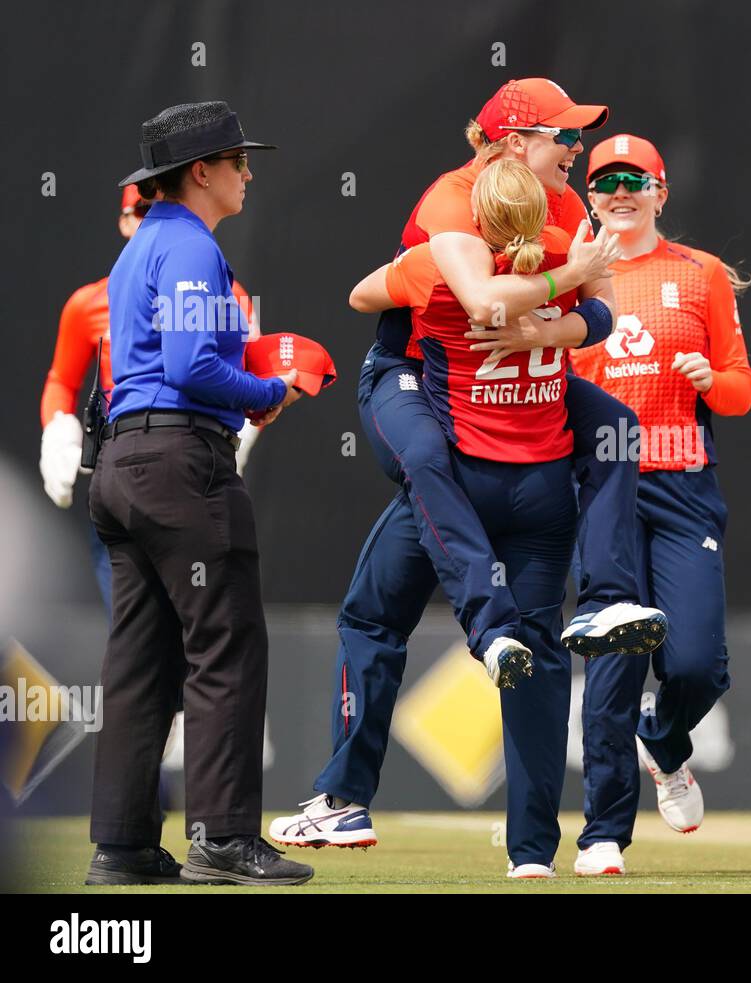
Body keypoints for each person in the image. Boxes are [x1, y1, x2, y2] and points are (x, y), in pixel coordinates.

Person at [270, 80, 662, 868]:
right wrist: (556, 290)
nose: (577, 153)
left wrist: (545, 326)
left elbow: (601, 311)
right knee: (429, 462)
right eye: (565, 137)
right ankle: (496, 640)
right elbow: (474, 301)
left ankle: (552, 624)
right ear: (515, 141)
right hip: (420, 385)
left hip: (492, 433)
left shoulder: (559, 208)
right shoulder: (451, 207)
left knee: (384, 602)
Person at [341, 159, 592, 877]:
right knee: (544, 661)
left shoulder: (443, 259)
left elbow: (365, 294)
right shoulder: (569, 262)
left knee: (369, 616)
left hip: (463, 480)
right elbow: (601, 314)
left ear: (474, 213)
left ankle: (486, 627)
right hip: (545, 484)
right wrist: (564, 302)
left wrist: (405, 274)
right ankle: (534, 853)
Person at [85, 101, 312, 887]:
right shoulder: (190, 246)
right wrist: (266, 389)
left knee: (141, 665)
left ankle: (121, 848)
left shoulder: (141, 247)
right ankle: (222, 837)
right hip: (182, 463)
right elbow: (190, 370)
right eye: (239, 161)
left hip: (124, 462)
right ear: (201, 172)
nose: (249, 173)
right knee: (226, 647)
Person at [569, 135, 751, 875]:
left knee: (698, 663)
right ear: (589, 194)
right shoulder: (572, 275)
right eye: (606, 180)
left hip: (683, 482)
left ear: (661, 191)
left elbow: (742, 391)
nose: (621, 192)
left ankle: (666, 741)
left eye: (635, 180)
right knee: (613, 660)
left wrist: (711, 377)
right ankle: (602, 835)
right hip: (602, 484)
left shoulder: (700, 273)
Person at [39, 185, 262, 615]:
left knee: (202, 623)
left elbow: (248, 370)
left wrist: (242, 433)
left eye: (158, 208)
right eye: (139, 211)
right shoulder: (88, 304)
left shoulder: (226, 291)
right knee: (133, 629)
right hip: (118, 469)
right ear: (123, 222)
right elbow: (60, 381)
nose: (149, 220)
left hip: (197, 462)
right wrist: (58, 431)